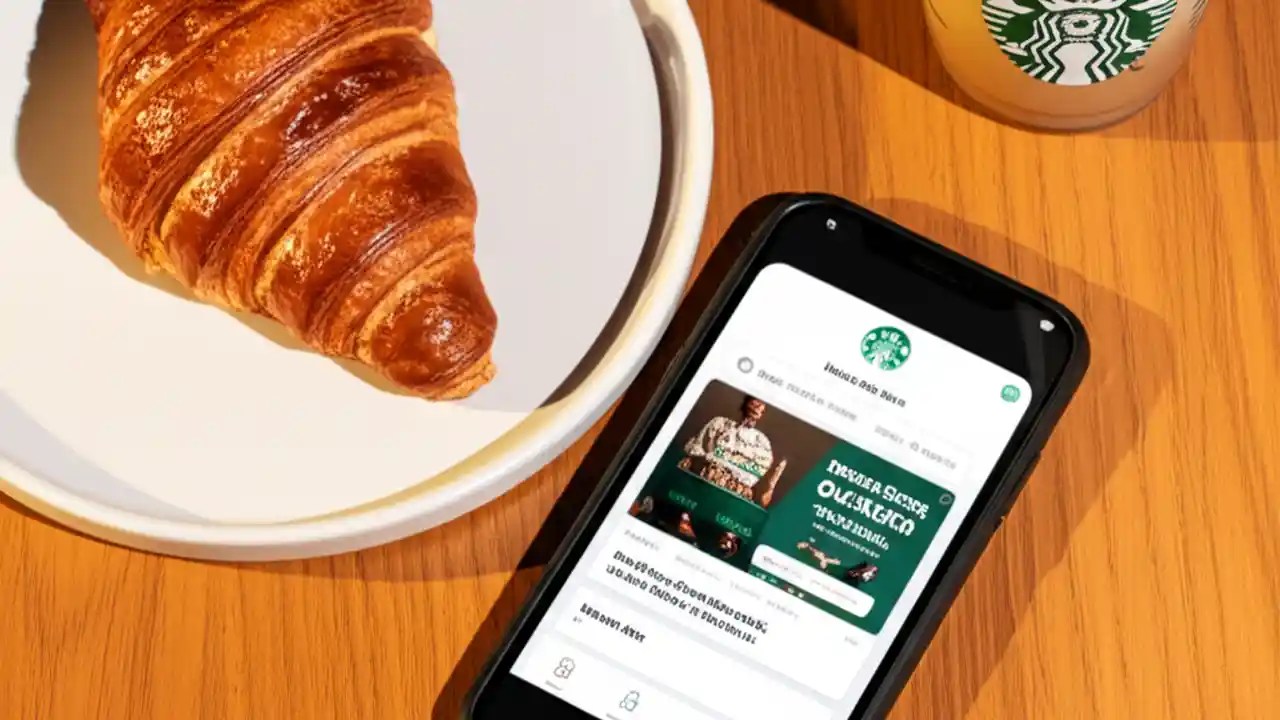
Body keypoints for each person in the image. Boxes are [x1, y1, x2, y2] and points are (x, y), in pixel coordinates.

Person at [678, 396, 776, 501]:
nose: (758, 406)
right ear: (746, 402)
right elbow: (697, 450)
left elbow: (756, 472)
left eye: (762, 404)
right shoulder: (719, 423)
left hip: (729, 495)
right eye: (756, 401)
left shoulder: (762, 442)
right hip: (700, 483)